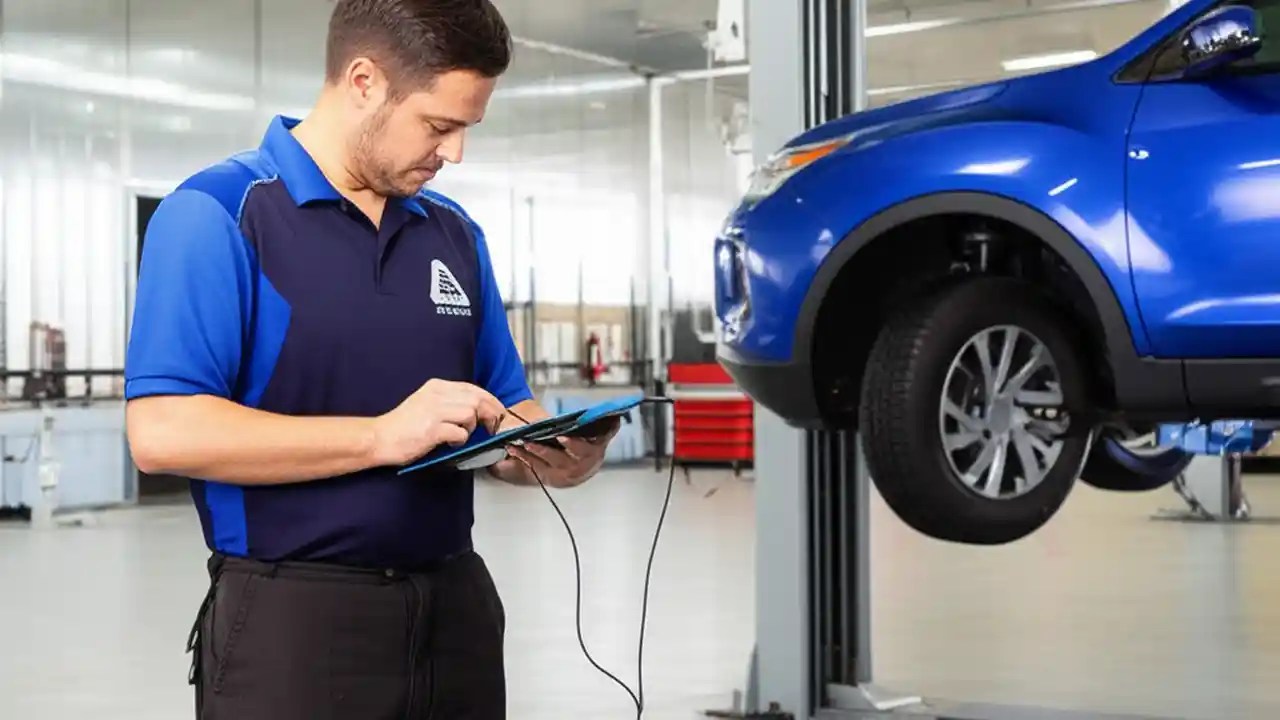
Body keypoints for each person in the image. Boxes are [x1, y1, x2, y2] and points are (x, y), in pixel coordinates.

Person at [122, 1, 619, 718]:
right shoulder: (219, 214)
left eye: (467, 129)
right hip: (293, 621)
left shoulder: (456, 237)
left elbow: (506, 404)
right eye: (439, 125)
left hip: (458, 614)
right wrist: (380, 436)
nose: (455, 154)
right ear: (363, 81)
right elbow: (163, 433)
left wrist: (549, 451)